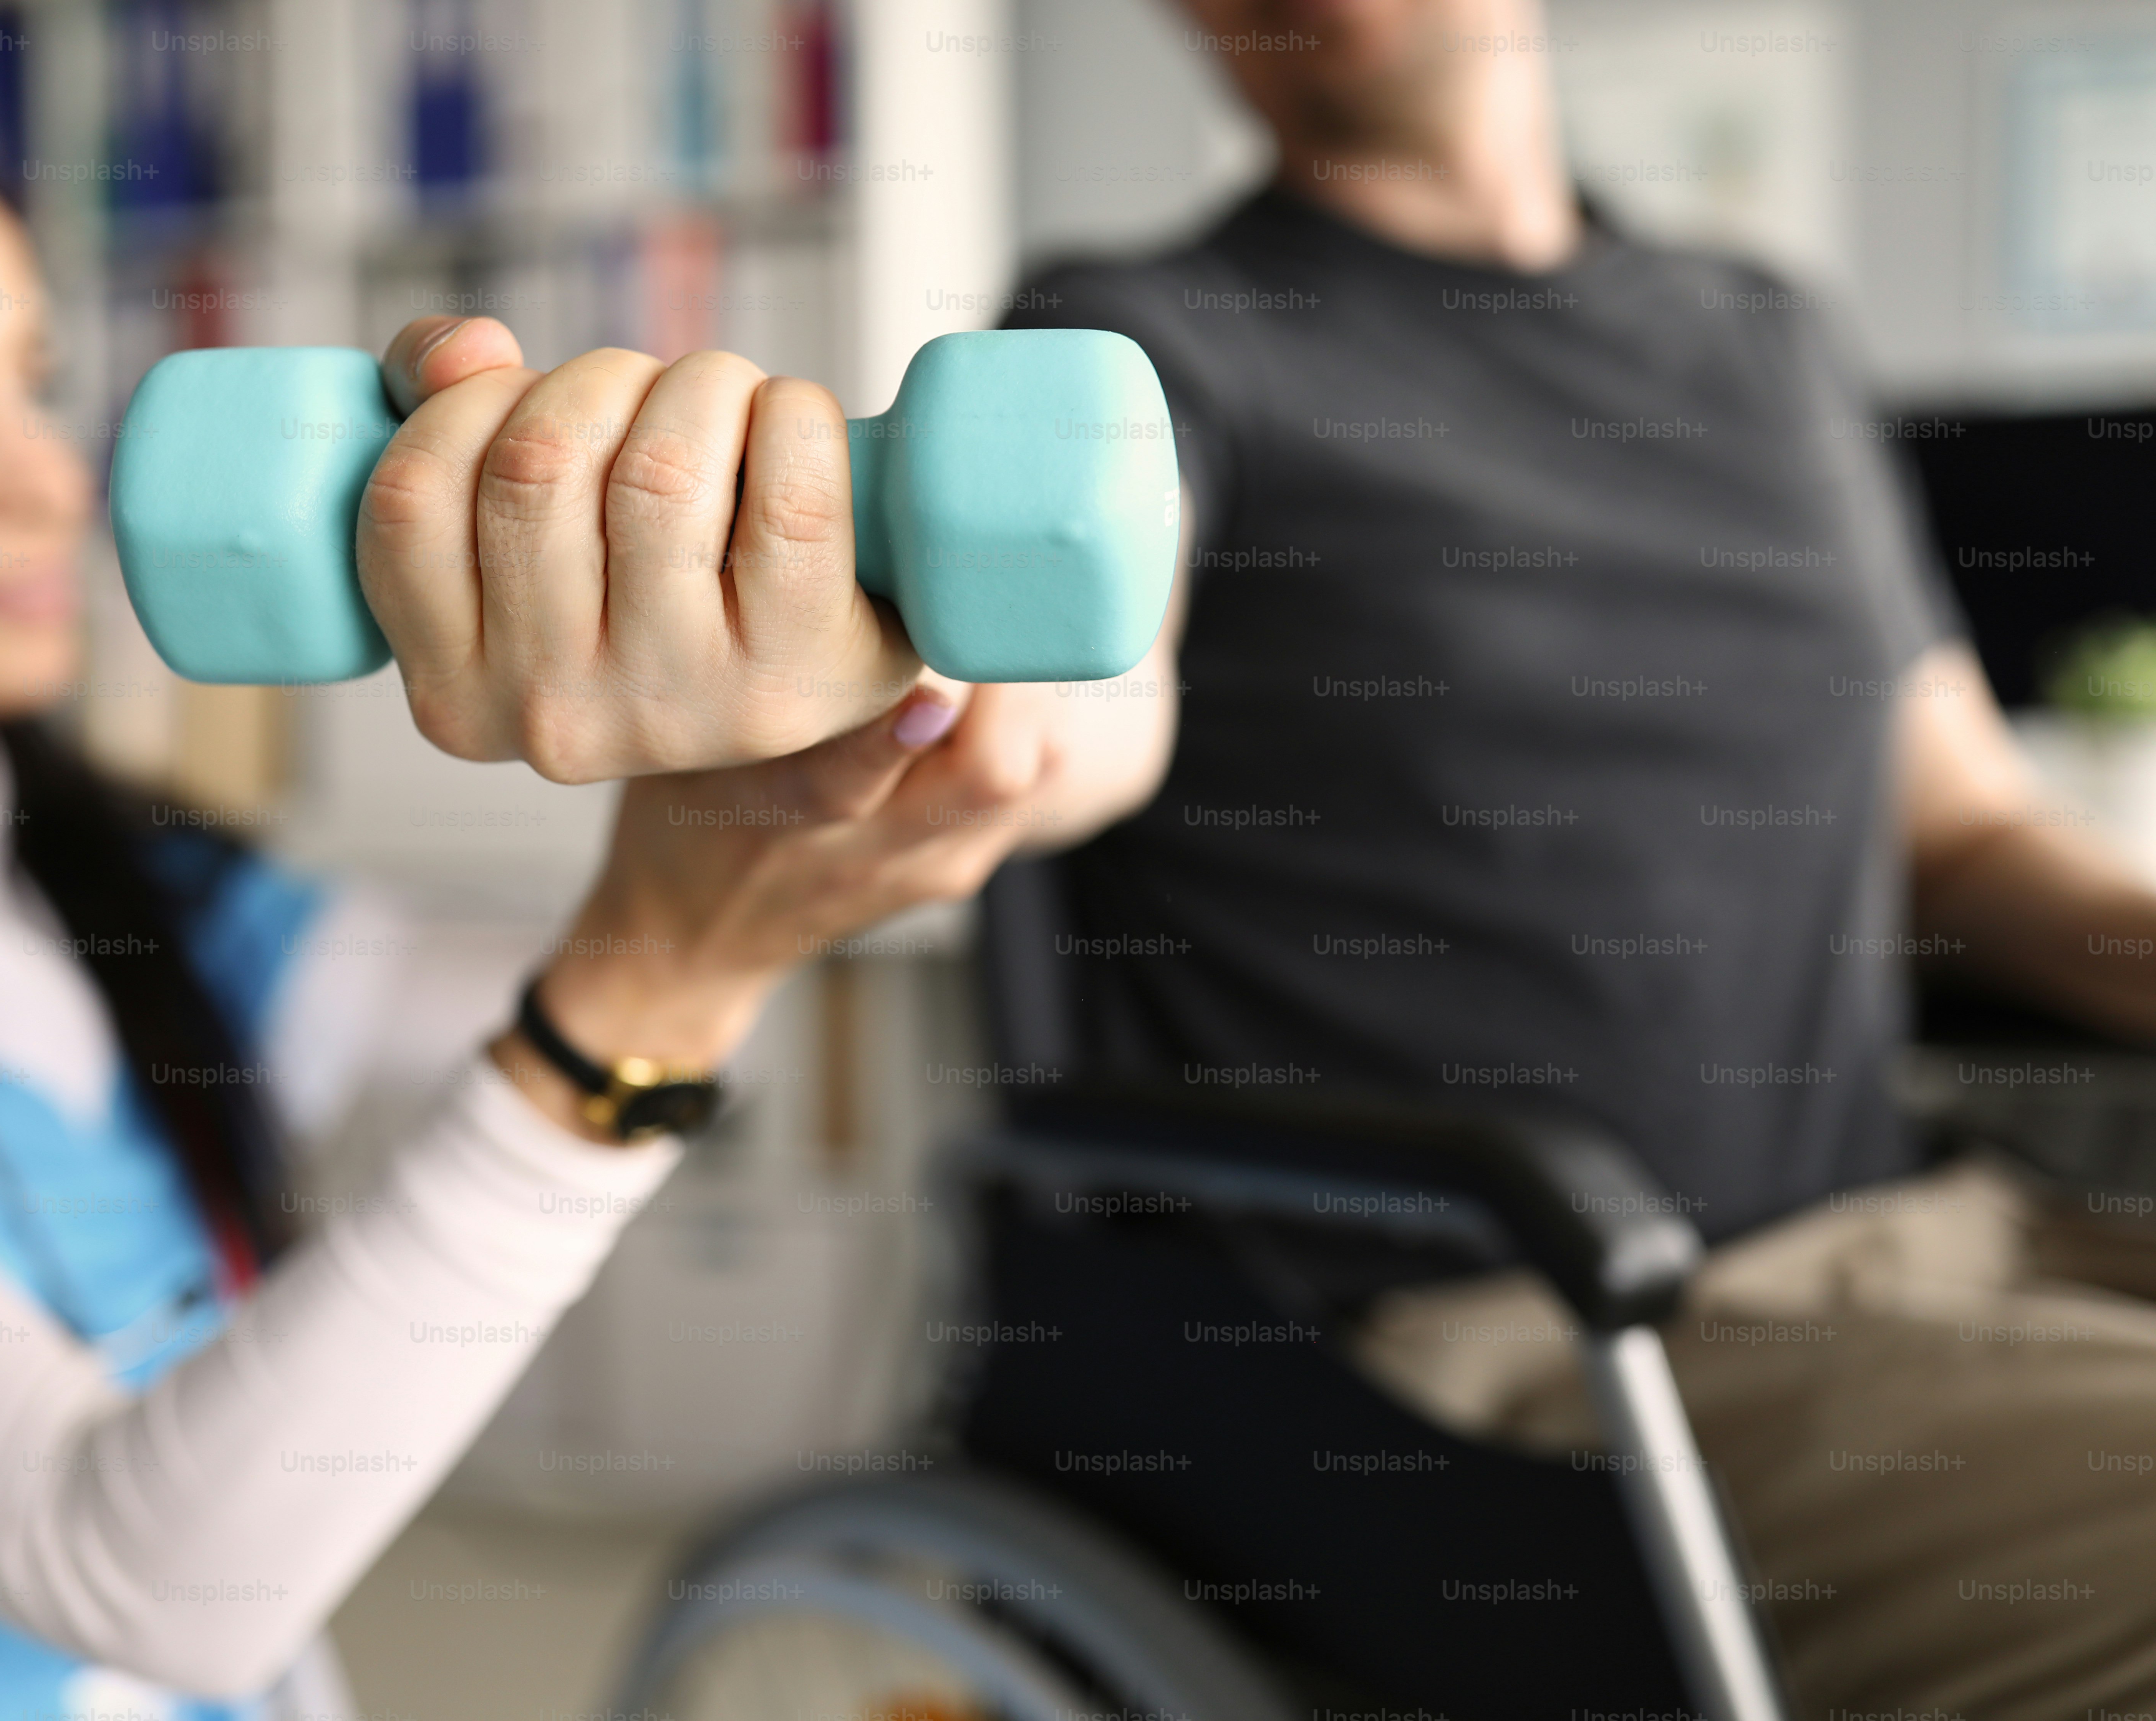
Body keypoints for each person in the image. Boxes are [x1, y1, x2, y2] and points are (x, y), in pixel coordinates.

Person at [0, 85, 1164, 1718]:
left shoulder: (131, 894)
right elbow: (134, 1575)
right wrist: (651, 988)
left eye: (36, 385)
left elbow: (753, 1004)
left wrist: (841, 642)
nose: (43, 483)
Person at [913, 2, 2156, 1718]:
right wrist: (985, 734)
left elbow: (1958, 827)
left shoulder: (1761, 336)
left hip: (1944, 1235)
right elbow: (1079, 703)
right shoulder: (1146, 339)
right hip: (1530, 1335)